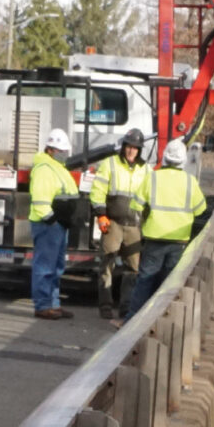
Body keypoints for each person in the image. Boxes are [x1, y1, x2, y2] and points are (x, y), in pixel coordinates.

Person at [120, 138, 206, 323]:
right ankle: (163, 320)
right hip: (179, 240)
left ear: (165, 157)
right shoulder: (190, 181)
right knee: (170, 283)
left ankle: (132, 319)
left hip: (154, 238)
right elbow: (201, 210)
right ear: (183, 160)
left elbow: (136, 206)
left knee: (145, 279)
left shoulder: (152, 178)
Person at [89, 128, 148, 319]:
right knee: (107, 264)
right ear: (123, 146)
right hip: (113, 222)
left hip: (134, 225)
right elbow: (98, 190)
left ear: (139, 150)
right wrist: (101, 214)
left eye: (135, 148)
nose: (131, 151)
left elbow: (149, 197)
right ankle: (105, 306)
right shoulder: (110, 164)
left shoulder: (146, 169)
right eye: (129, 146)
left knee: (133, 268)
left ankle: (126, 307)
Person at [28, 128, 80, 320]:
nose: (64, 153)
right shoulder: (44, 169)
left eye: (65, 150)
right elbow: (40, 199)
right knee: (45, 267)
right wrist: (51, 219)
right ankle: (43, 306)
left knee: (56, 267)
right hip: (48, 224)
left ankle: (53, 304)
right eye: (60, 150)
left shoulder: (56, 166)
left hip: (58, 224)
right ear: (50, 150)